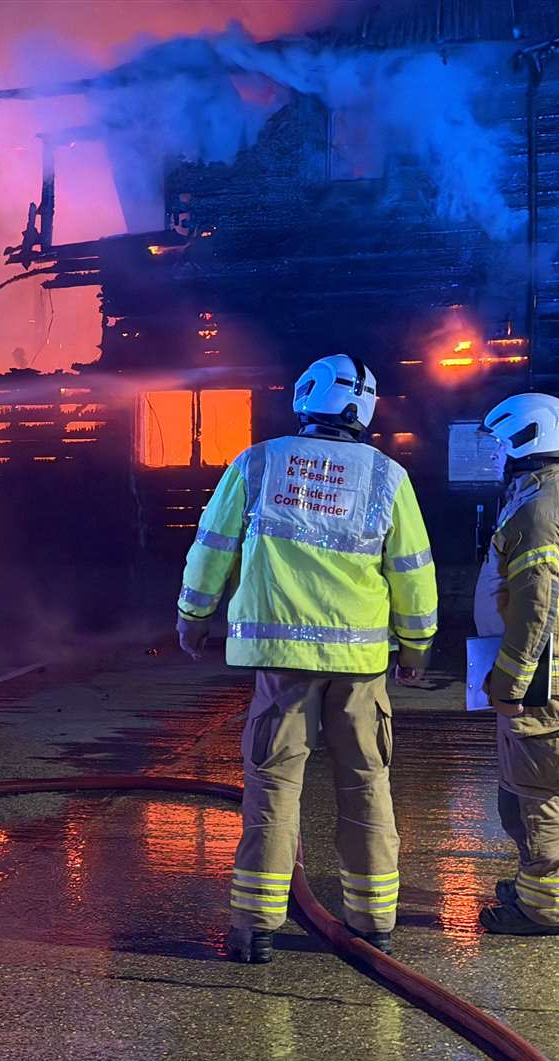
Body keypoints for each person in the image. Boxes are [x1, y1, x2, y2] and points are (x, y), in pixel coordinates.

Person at [176, 354, 438, 963]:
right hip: (362, 667)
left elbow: (212, 547)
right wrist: (417, 647)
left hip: (282, 663)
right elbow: (413, 572)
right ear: (365, 409)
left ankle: (256, 928)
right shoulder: (387, 478)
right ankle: (374, 922)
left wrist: (193, 617)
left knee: (271, 788)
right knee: (367, 784)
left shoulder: (259, 463)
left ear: (304, 399)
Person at [474, 393, 559, 936]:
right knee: (536, 791)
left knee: (541, 798)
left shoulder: (539, 512)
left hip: (541, 680)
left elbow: (535, 608)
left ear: (524, 440)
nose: (499, 453)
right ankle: (534, 885)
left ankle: (546, 909)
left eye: (503, 442)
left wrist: (509, 679)